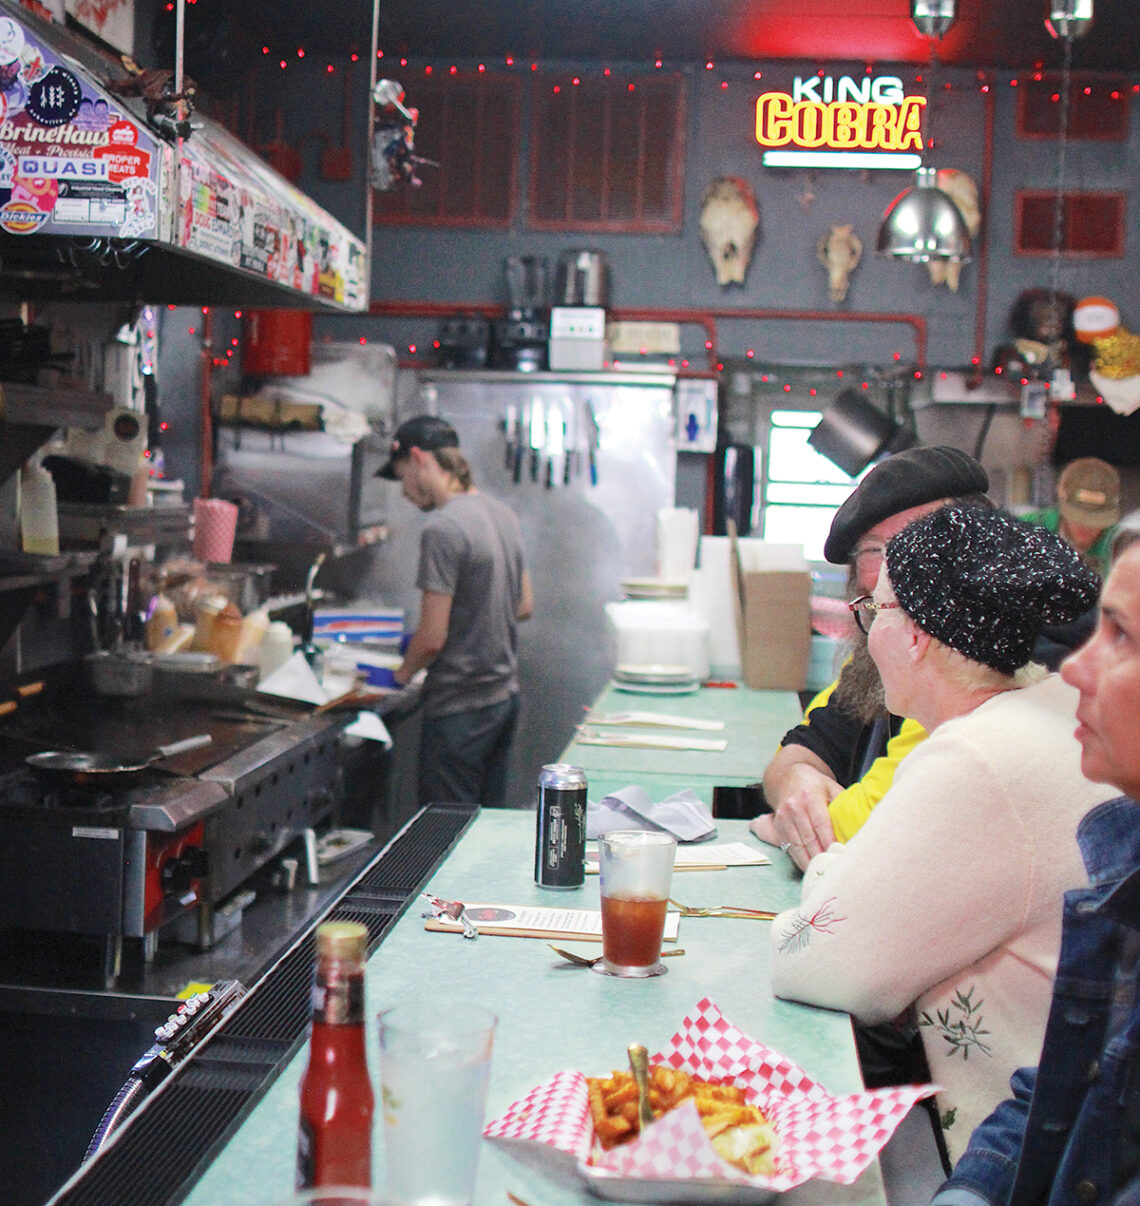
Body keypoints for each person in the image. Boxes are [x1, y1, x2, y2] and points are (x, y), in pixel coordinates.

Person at [769, 503, 1112, 1166]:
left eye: (876, 611)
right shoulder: (1048, 705)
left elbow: (819, 959)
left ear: (917, 634)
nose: (868, 634)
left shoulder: (977, 758)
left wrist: (827, 872)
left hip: (1009, 1154)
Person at [932, 540, 1140, 1205]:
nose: (1074, 668)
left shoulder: (980, 747)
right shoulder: (1124, 865)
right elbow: (1057, 1093)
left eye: (1124, 637)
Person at [751, 445, 990, 869]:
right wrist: (798, 782)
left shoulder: (977, 663)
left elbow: (872, 832)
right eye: (874, 550)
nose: (891, 570)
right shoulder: (872, 657)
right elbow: (798, 750)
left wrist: (779, 826)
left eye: (914, 543)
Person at [379, 415, 534, 807]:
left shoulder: (443, 528)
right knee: (485, 832)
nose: (404, 493)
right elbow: (524, 606)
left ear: (417, 459)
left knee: (444, 833)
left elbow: (431, 639)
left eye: (401, 478)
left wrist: (396, 678)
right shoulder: (504, 515)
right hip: (502, 701)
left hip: (459, 713)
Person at [1019, 455, 1121, 577]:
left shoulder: (1124, 546)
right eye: (1078, 517)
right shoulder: (1025, 531)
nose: (1086, 526)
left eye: (1096, 521)